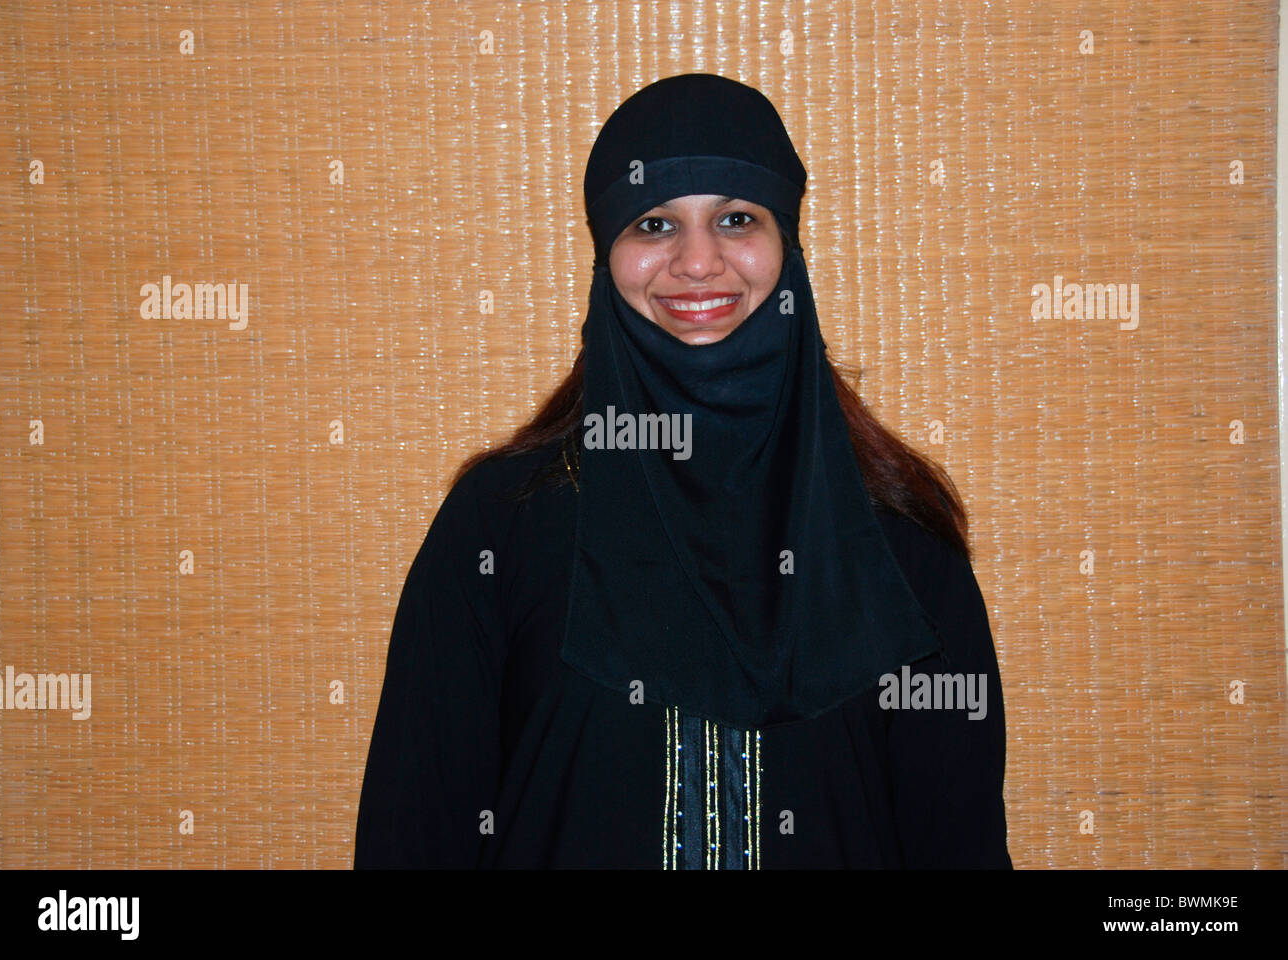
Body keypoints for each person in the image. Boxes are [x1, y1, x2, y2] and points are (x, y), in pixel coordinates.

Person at [355, 73, 1012, 869]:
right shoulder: (500, 523)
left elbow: (958, 842)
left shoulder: (896, 530)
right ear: (608, 253)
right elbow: (416, 829)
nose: (698, 262)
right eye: (655, 222)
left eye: (737, 218)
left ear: (787, 246)